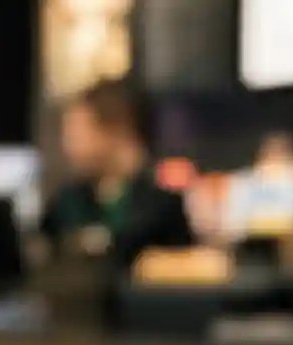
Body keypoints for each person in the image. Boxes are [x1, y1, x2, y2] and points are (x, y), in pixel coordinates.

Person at [38, 79, 194, 327]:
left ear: (116, 130)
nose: (67, 144)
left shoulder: (162, 204)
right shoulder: (65, 203)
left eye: (77, 131)